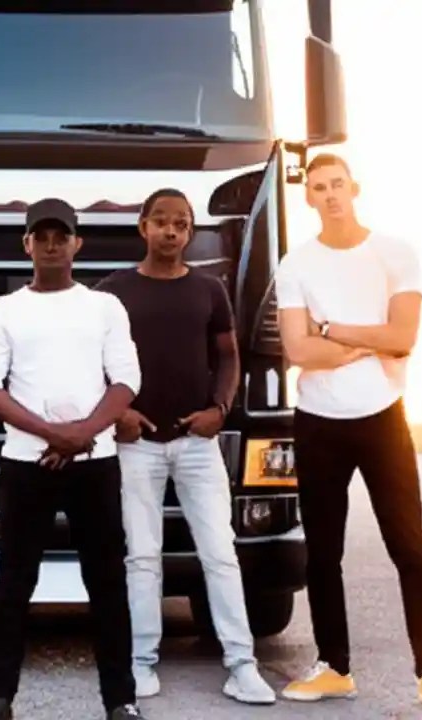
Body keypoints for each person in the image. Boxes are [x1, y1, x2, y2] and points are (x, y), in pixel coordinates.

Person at [275, 153, 422, 715]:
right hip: (317, 420)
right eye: (319, 187)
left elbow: (403, 336)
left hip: (383, 415)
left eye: (338, 184)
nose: (330, 194)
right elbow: (296, 350)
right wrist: (367, 342)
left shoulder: (395, 253)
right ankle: (334, 668)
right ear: (307, 197)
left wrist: (333, 328)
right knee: (322, 554)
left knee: (409, 547)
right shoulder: (297, 264)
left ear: (354, 188)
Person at [0, 198, 146, 720]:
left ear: (76, 243)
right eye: (40, 236)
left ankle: (121, 702)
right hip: (26, 460)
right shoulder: (5, 310)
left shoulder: (104, 307)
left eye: (60, 235)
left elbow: (127, 379)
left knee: (107, 580)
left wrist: (84, 433)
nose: (50, 244)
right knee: (14, 580)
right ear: (26, 245)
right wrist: (52, 434)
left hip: (96, 461)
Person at [96, 189, 276, 705]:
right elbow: (92, 360)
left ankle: (242, 665)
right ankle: (141, 662)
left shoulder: (209, 290)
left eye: (181, 223)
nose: (171, 231)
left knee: (220, 552)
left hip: (197, 444)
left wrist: (219, 410)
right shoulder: (113, 292)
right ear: (142, 227)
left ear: (190, 232)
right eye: (161, 221)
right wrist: (119, 415)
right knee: (142, 556)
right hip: (137, 446)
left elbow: (228, 356)